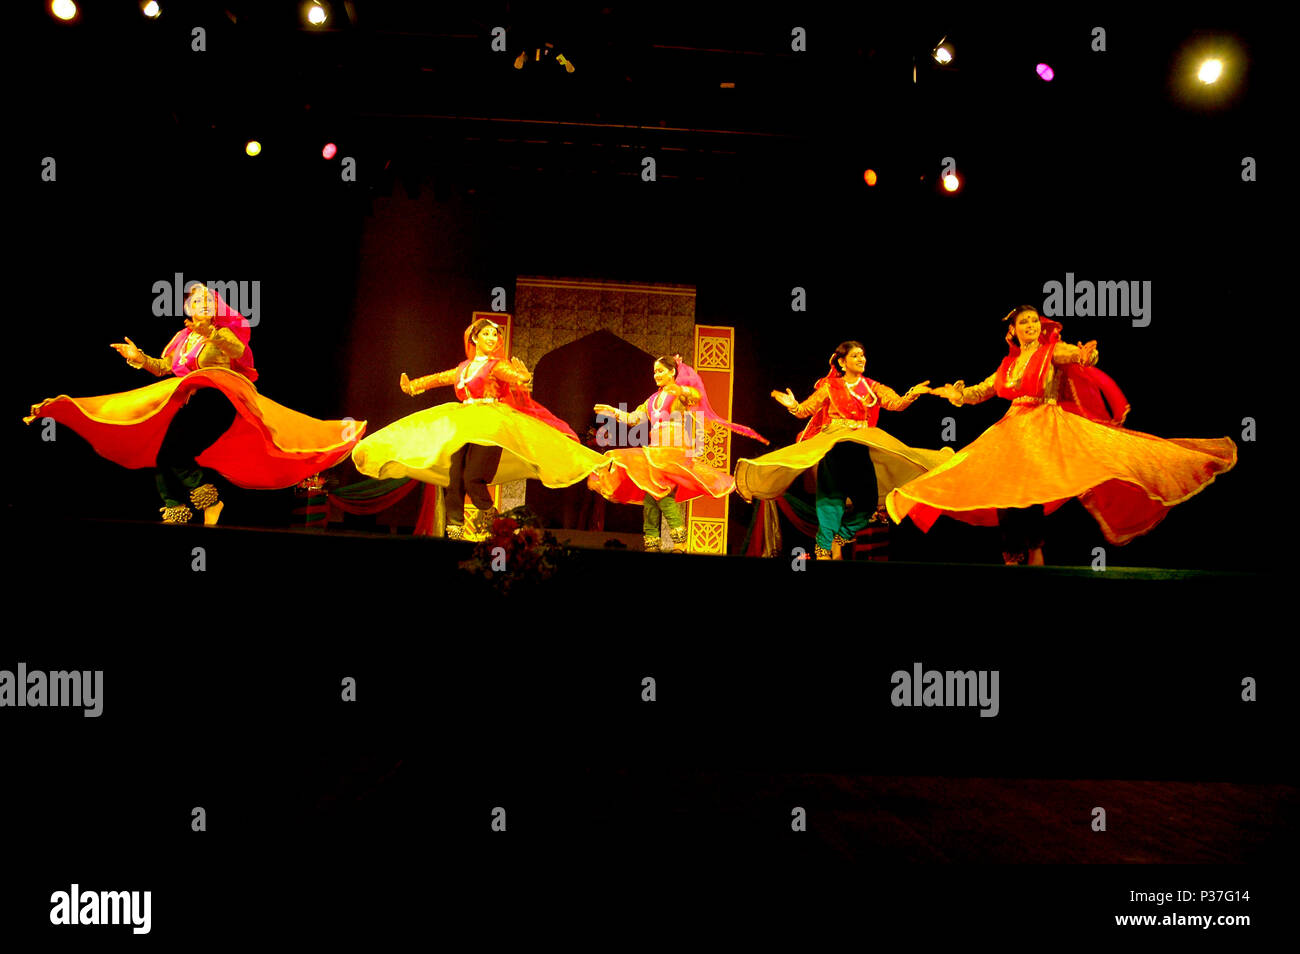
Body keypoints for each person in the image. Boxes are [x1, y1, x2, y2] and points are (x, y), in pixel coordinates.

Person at [887, 305, 1237, 564]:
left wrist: (1087, 355)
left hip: (1045, 425)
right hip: (1011, 428)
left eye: (1034, 321)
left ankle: (1036, 554)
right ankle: (1012, 554)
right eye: (1023, 322)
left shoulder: (1051, 351)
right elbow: (981, 391)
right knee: (1000, 486)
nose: (1030, 326)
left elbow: (1077, 356)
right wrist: (957, 394)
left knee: (1035, 487)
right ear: (1012, 331)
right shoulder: (1007, 365)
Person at [25, 283, 365, 524]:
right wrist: (138, 356)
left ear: (215, 306)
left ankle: (211, 501)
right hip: (192, 402)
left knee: (175, 455)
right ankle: (176, 510)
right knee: (163, 456)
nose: (201, 304)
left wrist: (211, 331)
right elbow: (164, 368)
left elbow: (236, 353)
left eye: (207, 300)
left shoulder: (223, 333)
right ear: (187, 309)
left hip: (217, 402)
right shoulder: (181, 338)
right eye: (195, 301)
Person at [351, 317, 609, 541]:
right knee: (454, 480)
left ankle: (493, 522)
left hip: (491, 423)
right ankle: (454, 532)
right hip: (463, 422)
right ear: (474, 337)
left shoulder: (496, 366)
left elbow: (513, 376)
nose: (492, 337)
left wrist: (524, 377)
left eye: (495, 334)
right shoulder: (463, 368)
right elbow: (440, 378)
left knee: (474, 478)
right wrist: (413, 386)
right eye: (486, 333)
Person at [734, 341, 950, 559]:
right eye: (855, 356)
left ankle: (841, 536)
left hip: (860, 447)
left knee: (867, 504)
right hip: (835, 446)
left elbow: (896, 404)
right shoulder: (830, 387)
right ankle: (823, 549)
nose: (861, 359)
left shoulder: (872, 387)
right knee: (831, 502)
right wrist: (793, 405)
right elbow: (805, 410)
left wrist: (912, 393)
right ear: (842, 362)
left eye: (863, 356)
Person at [590, 355, 767, 553]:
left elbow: (695, 396)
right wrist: (614, 411)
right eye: (654, 371)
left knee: (663, 495)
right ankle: (652, 545)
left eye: (660, 371)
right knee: (651, 497)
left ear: (672, 372)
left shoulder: (679, 395)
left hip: (674, 450)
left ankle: (680, 543)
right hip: (656, 451)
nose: (656, 374)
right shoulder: (652, 400)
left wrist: (680, 389)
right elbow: (633, 418)